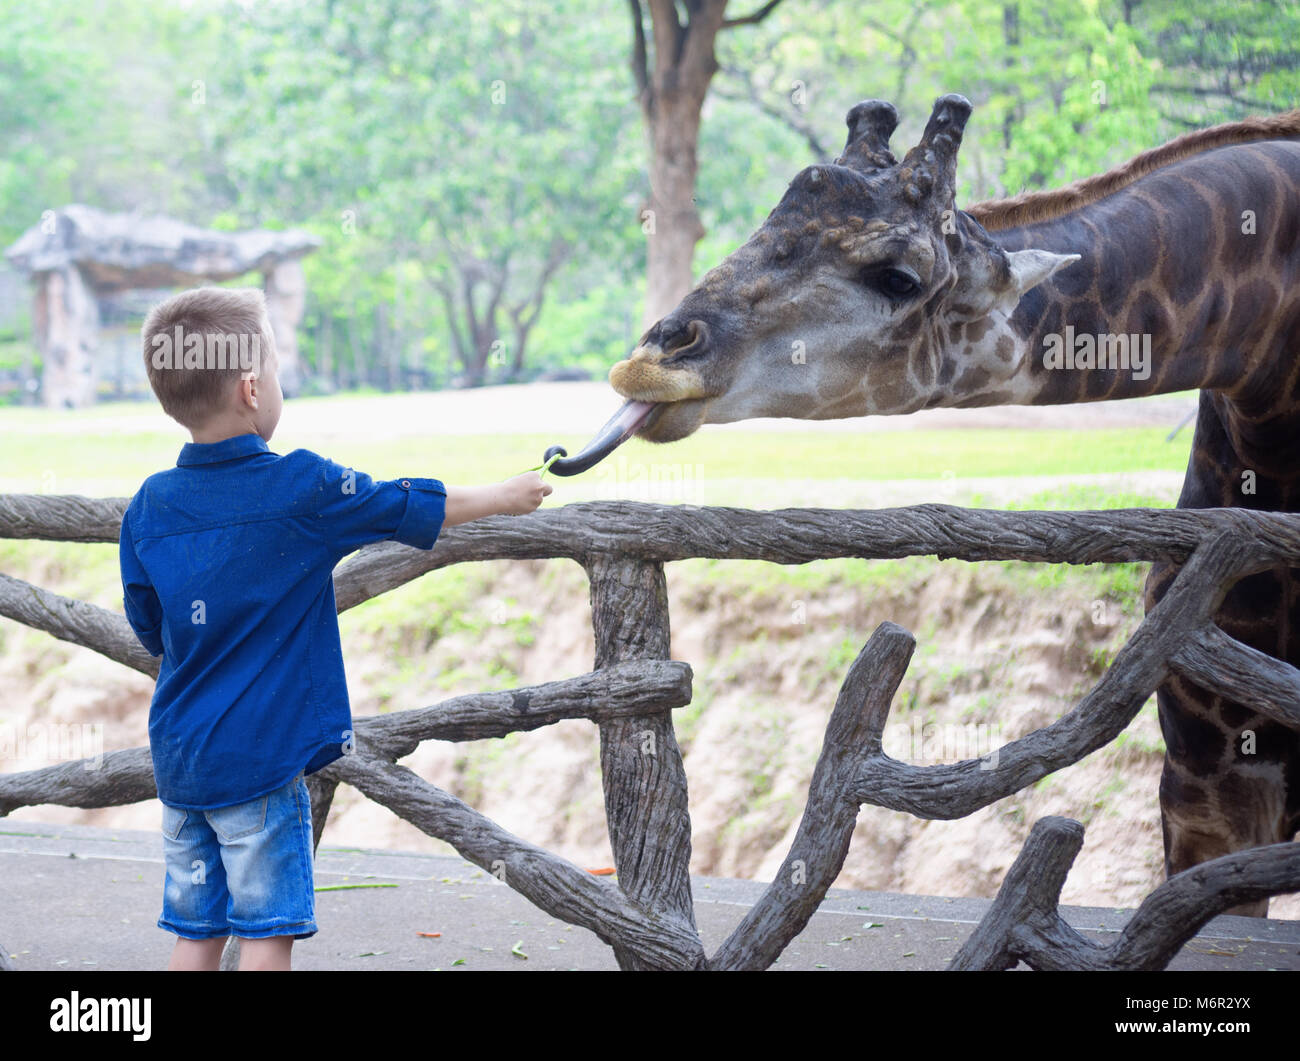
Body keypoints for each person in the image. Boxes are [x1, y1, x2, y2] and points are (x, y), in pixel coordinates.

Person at [119, 286, 551, 971]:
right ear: (252, 387)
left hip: (181, 757)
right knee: (266, 930)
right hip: (260, 764)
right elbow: (397, 503)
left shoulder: (150, 504)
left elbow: (149, 625)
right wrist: (505, 495)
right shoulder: (304, 486)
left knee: (195, 931)